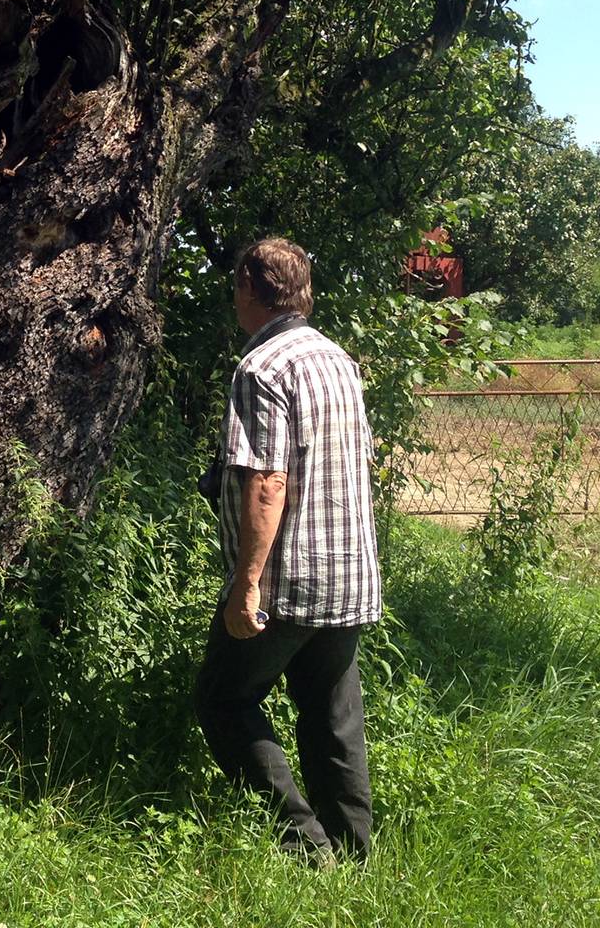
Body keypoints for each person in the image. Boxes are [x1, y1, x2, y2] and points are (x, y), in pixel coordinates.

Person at [193, 236, 382, 862]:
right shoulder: (337, 360)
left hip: (290, 581)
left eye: (235, 287)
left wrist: (247, 582)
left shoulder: (263, 368)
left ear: (251, 289)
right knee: (332, 716)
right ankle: (357, 857)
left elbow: (267, 479)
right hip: (349, 575)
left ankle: (307, 848)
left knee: (223, 699)